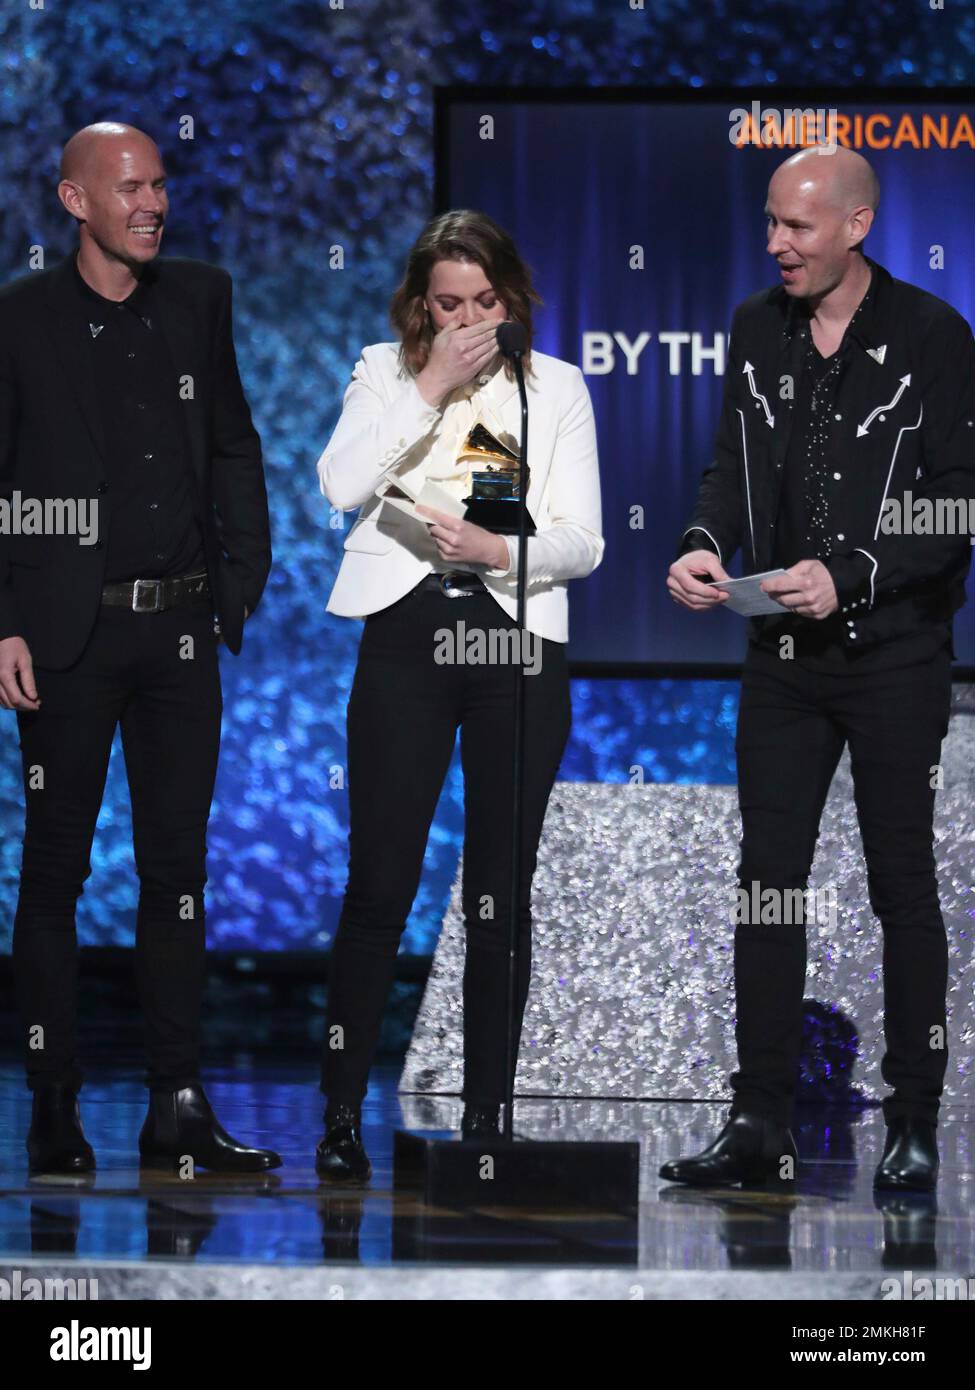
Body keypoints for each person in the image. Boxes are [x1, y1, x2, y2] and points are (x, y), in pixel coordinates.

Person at [663, 146, 975, 1193]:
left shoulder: (933, 336)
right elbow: (727, 467)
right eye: (769, 223)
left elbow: (956, 507)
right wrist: (707, 540)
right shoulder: (758, 328)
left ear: (857, 225)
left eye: (798, 226)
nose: (776, 245)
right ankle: (758, 1119)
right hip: (783, 661)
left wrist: (853, 572)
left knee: (903, 885)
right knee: (767, 883)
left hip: (894, 655)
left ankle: (915, 1116)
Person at [0, 123, 278, 1174]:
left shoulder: (200, 298)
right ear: (76, 202)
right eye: (130, 189)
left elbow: (232, 443)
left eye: (161, 185)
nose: (153, 205)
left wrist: (238, 582)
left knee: (179, 873)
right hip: (65, 636)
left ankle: (179, 1101)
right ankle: (53, 1104)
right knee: (55, 875)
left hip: (179, 633)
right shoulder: (19, 319)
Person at [314, 209, 603, 1181]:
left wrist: (497, 549)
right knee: (380, 883)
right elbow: (339, 483)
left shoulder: (554, 388)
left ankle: (488, 1118)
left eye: (487, 302)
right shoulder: (381, 370)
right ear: (419, 305)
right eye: (449, 304)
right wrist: (430, 382)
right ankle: (341, 1114)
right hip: (404, 635)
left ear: (513, 298)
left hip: (516, 642)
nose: (471, 319)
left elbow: (584, 541)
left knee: (496, 892)